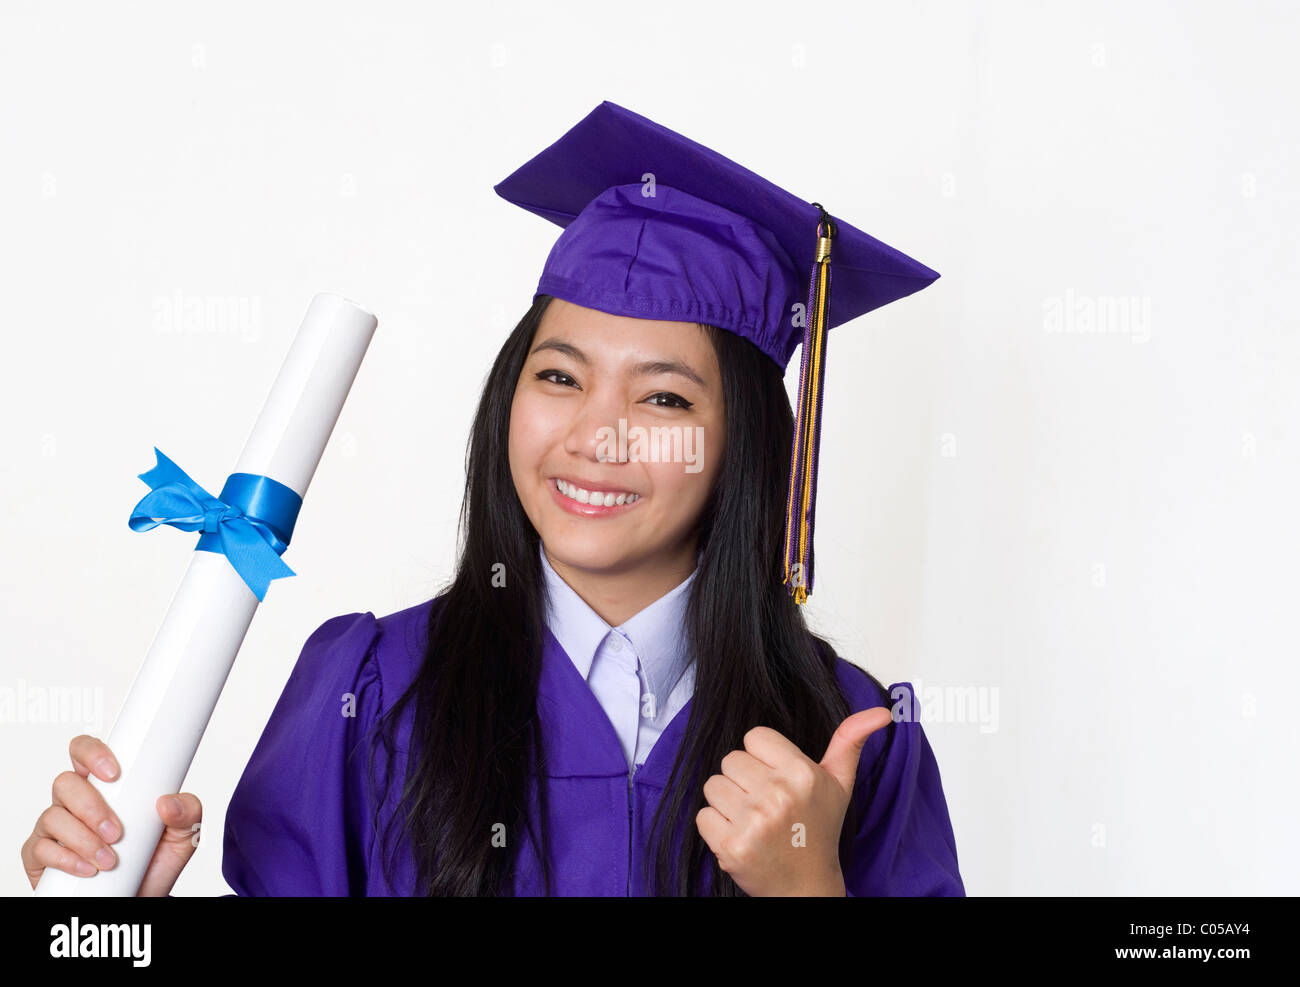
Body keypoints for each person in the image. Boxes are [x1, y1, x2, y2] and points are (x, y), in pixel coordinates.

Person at [22, 101, 964, 896]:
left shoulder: (843, 742)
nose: (596, 433)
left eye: (664, 396)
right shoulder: (374, 690)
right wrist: (114, 929)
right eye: (559, 377)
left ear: (749, 447)